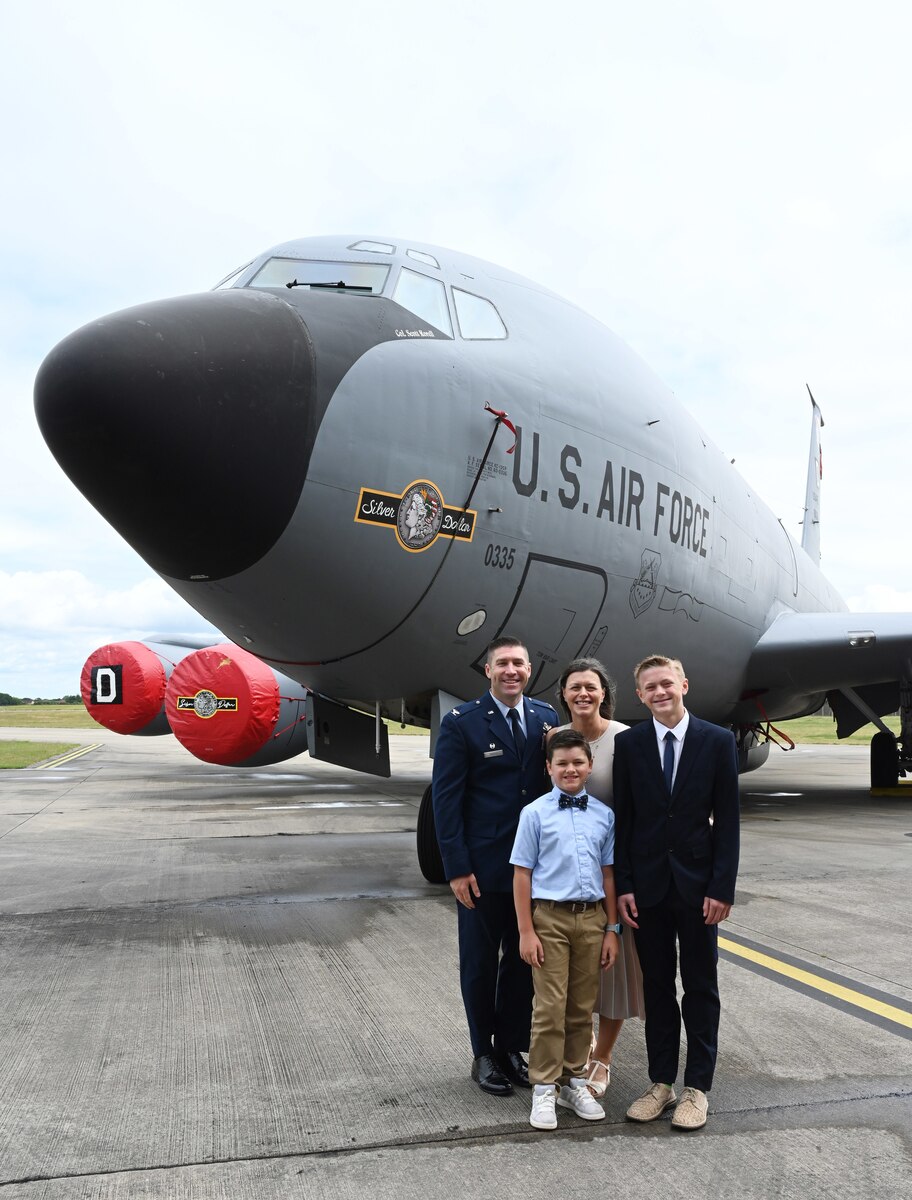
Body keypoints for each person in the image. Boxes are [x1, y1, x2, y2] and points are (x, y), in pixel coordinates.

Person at [613, 655, 740, 1131]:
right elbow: (624, 821)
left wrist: (721, 886)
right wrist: (624, 885)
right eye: (650, 687)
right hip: (646, 889)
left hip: (697, 887)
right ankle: (661, 1083)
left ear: (684, 684)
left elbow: (728, 820)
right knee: (657, 988)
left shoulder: (716, 741)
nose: (660, 692)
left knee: (701, 987)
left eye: (667, 683)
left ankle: (697, 1088)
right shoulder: (629, 745)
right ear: (641, 695)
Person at [432, 636, 560, 1096]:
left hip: (535, 869)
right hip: (483, 868)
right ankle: (482, 1053)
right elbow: (447, 802)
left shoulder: (546, 718)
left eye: (519, 663)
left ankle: (510, 1046)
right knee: (481, 964)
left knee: (524, 963)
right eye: (502, 663)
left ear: (530, 670)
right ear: (487, 670)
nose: (512, 670)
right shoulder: (461, 724)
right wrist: (456, 867)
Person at [510, 729, 621, 1130]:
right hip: (550, 919)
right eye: (562, 763)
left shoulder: (603, 815)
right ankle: (544, 1087)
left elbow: (608, 874)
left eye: (578, 762)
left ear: (589, 767)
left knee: (581, 1006)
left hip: (591, 919)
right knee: (549, 1006)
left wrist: (612, 928)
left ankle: (574, 1080)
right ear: (549, 768)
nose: (570, 769)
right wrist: (526, 930)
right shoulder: (535, 813)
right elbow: (522, 875)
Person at [552, 657, 645, 1097]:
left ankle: (603, 1057)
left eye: (591, 687)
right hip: (564, 876)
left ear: (604, 692)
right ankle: (579, 1043)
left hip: (612, 869)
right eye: (575, 688)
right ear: (564, 695)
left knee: (615, 971)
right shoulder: (553, 740)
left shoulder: (624, 739)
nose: (583, 694)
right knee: (571, 974)